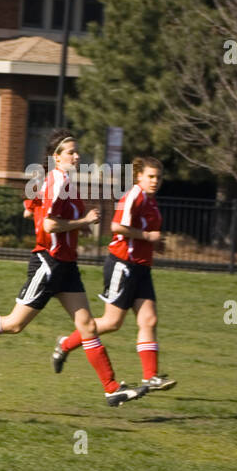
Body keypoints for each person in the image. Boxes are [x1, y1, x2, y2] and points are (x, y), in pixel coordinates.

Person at [0, 130, 148, 407]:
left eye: (77, 152)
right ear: (56, 157)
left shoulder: (55, 181)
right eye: (71, 152)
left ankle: (112, 388)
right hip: (49, 263)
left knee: (88, 326)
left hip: (66, 265)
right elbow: (48, 225)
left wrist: (68, 220)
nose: (77, 156)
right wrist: (82, 221)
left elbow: (28, 210)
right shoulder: (56, 181)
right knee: (14, 324)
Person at [51, 156, 174, 391]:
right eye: (150, 176)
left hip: (142, 268)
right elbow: (116, 227)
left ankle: (151, 377)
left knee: (149, 319)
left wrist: (154, 244)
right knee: (111, 322)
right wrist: (148, 237)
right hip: (123, 265)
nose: (155, 181)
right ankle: (65, 344)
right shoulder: (134, 196)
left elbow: (144, 232)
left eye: (158, 177)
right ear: (139, 176)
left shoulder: (151, 201)